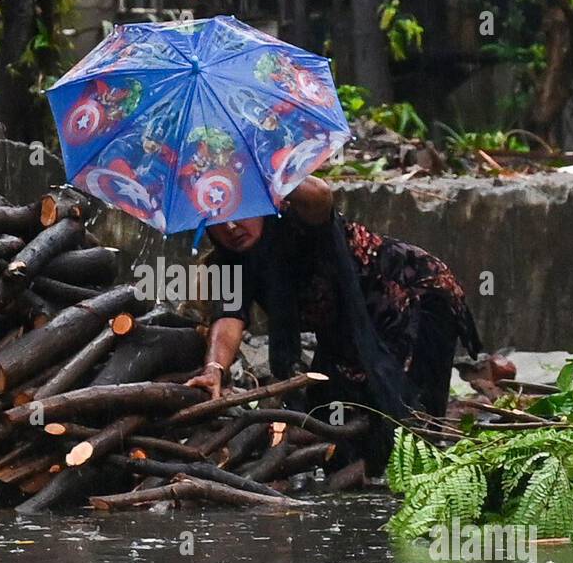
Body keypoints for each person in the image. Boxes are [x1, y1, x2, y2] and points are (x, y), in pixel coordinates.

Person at [185, 175, 481, 471]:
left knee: (407, 414)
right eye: (217, 220)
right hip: (343, 327)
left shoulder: (297, 220)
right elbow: (229, 317)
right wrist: (214, 369)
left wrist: (265, 172)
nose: (231, 227)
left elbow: (322, 195)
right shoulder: (230, 261)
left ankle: (423, 478)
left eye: (239, 213)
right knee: (328, 415)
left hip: (414, 294)